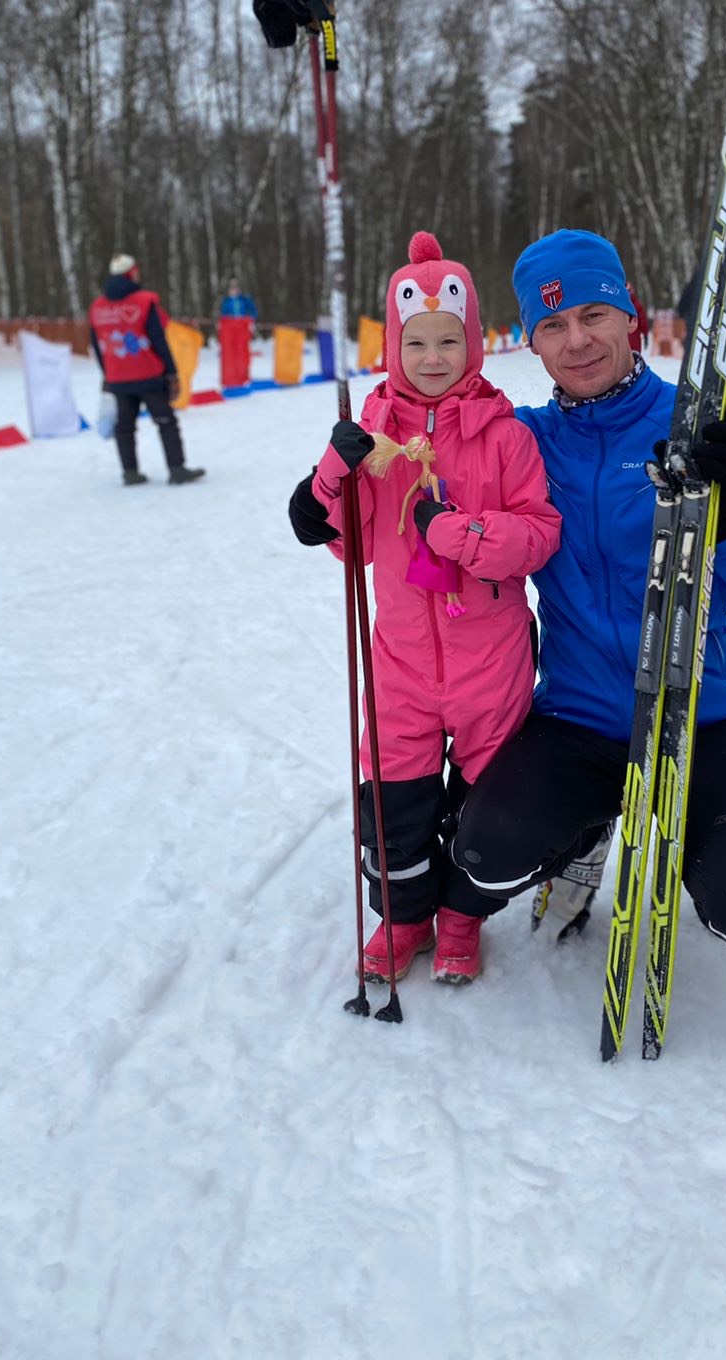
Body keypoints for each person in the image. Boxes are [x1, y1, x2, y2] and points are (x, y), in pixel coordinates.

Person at [440, 228, 726, 963]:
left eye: (593, 315)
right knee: (488, 853)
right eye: (551, 325)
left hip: (695, 717)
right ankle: (584, 837)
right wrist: (334, 498)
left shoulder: (710, 428)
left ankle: (696, 843)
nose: (576, 340)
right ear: (532, 342)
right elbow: (419, 488)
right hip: (577, 719)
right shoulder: (521, 444)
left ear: (630, 316)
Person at [287, 232, 561, 983]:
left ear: (473, 343)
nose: (434, 357)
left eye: (449, 340)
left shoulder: (506, 436)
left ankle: (462, 917)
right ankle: (404, 919)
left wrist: (461, 532)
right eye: (418, 343)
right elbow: (350, 545)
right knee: (395, 806)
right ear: (393, 345)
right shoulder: (375, 437)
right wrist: (329, 476)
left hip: (491, 664)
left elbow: (538, 535)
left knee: (483, 811)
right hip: (401, 662)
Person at [88, 254, 205, 486]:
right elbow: (158, 339)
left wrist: (107, 374)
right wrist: (171, 372)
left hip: (118, 376)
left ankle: (130, 472)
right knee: (166, 422)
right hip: (148, 374)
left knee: (125, 427)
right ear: (131, 273)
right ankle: (176, 468)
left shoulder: (97, 307)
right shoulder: (143, 301)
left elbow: (97, 344)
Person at [626, 281, 650, 354]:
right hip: (635, 337)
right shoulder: (637, 305)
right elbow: (643, 321)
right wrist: (645, 334)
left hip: (622, 338)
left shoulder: (618, 305)